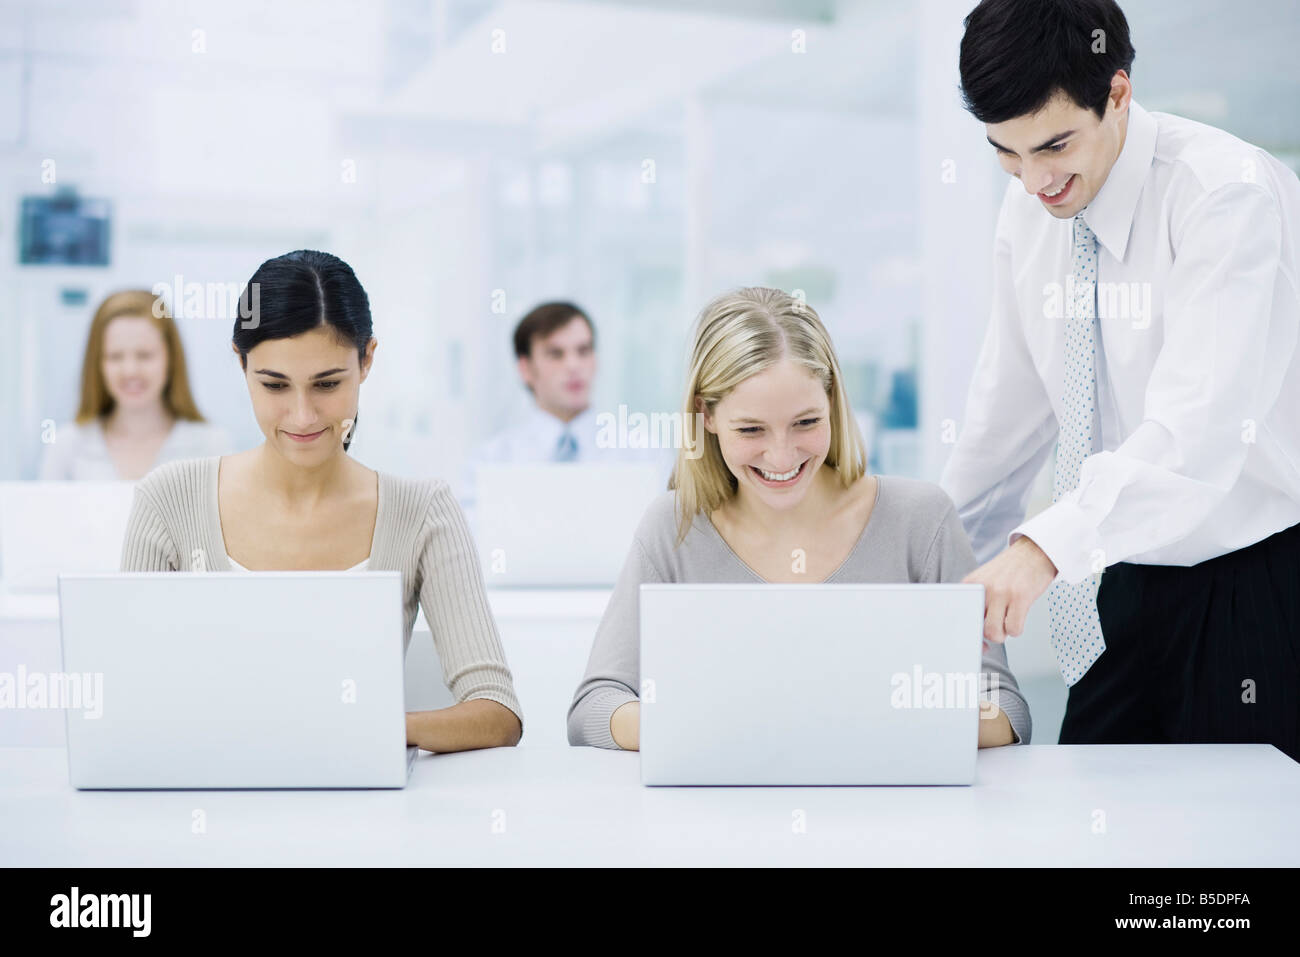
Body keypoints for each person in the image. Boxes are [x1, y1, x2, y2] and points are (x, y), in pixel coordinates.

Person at [942, 0, 1300, 759]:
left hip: (1255, 582)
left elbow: (1196, 436)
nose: (1036, 180)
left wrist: (1041, 548)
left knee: (1235, 843)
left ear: (1118, 93)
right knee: (1088, 816)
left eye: (1055, 145)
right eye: (1005, 152)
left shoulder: (1224, 195)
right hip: (1118, 576)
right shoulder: (1028, 210)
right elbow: (1002, 422)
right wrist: (926, 563)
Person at [568, 287, 1030, 751]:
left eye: (806, 423)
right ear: (705, 417)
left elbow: (1005, 710)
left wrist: (856, 724)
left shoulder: (920, 520)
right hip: (717, 815)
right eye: (751, 429)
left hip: (889, 815)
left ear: (831, 401)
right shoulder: (673, 528)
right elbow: (593, 709)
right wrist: (716, 729)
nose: (782, 455)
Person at [119, 250, 523, 754]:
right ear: (240, 363)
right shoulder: (168, 501)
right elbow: (127, 697)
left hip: (368, 814)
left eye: (328, 384)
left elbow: (497, 712)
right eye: (274, 385)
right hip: (210, 801)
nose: (303, 415)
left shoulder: (423, 512)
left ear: (367, 360)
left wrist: (364, 727)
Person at [461, 301, 669, 517]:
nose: (573, 365)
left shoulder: (646, 456)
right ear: (526, 369)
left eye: (583, 351)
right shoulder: (490, 463)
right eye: (555, 354)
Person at [39, 289, 231, 480]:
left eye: (145, 355)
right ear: (97, 363)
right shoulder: (67, 447)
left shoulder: (212, 446)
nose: (130, 371)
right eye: (115, 356)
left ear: (171, 358)